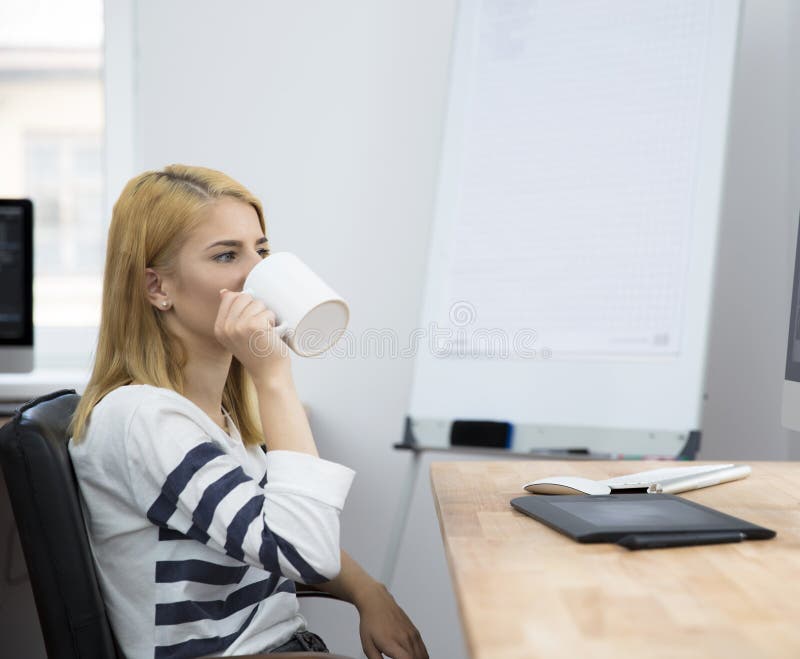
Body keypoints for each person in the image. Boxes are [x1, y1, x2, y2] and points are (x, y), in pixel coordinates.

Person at [68, 164, 428, 659]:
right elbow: (305, 552)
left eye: (261, 251)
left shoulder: (215, 415)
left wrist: (370, 592)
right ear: (158, 289)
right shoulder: (145, 420)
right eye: (225, 255)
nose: (256, 273)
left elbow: (273, 519)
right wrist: (273, 376)